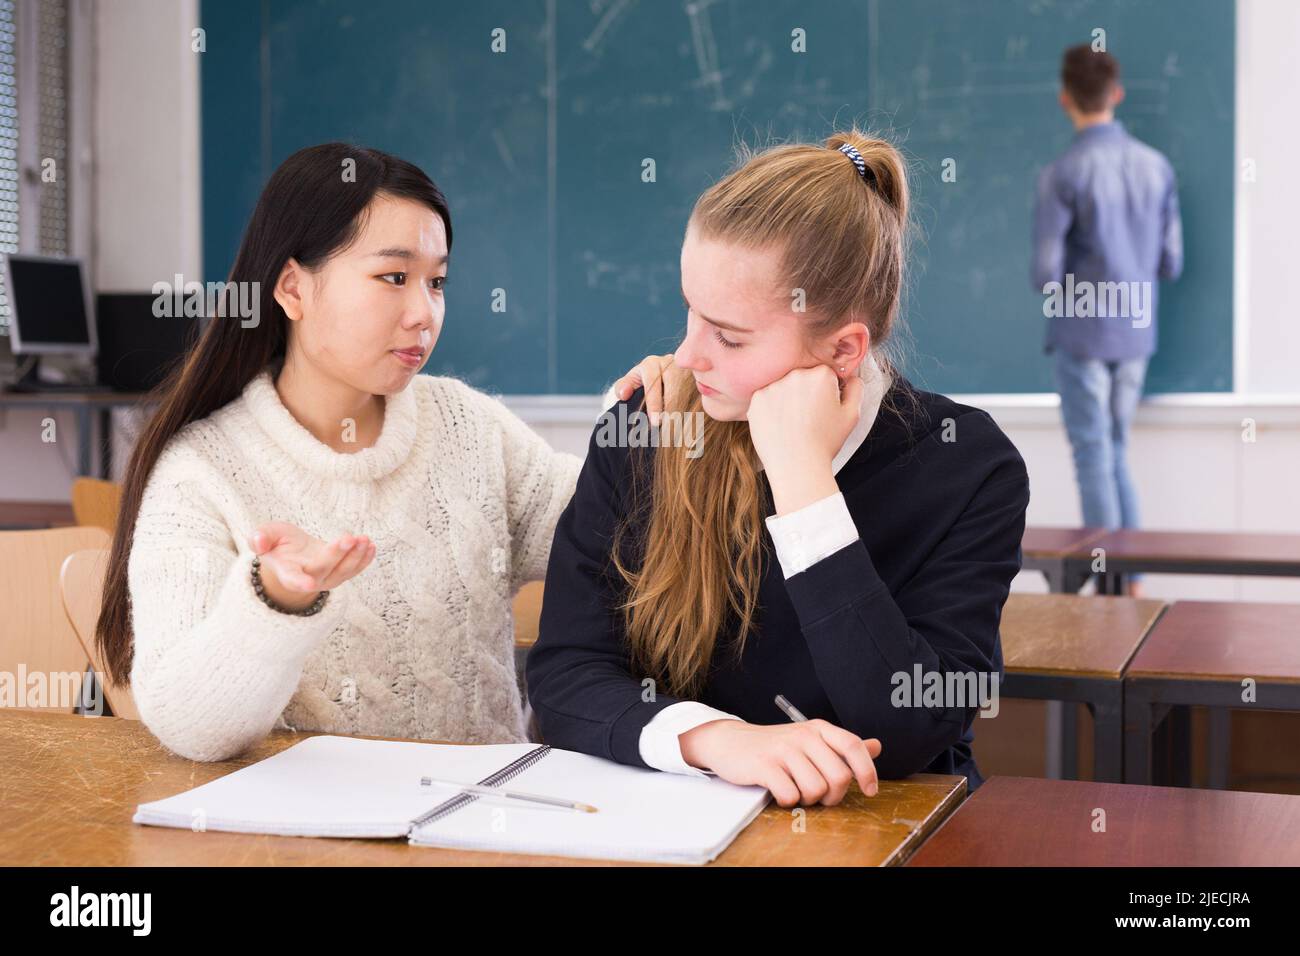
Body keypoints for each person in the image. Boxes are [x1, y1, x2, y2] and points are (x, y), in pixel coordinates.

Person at [95, 142, 676, 761]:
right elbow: (192, 729)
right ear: (292, 289)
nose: (424, 314)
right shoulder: (200, 473)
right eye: (393, 278)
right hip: (301, 842)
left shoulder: (467, 426)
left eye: (437, 282)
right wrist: (275, 601)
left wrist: (664, 419)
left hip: (485, 822)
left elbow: (619, 535)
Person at [527, 130, 1031, 806]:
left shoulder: (969, 466)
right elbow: (564, 676)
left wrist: (803, 481)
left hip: (885, 831)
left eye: (729, 336)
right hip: (680, 823)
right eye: (691, 314)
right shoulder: (649, 423)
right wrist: (718, 740)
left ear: (845, 348)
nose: (689, 354)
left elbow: (911, 731)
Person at [1033, 45, 1184, 595]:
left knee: (1095, 454)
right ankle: (1132, 580)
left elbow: (1047, 272)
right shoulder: (1157, 167)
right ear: (1116, 93)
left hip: (1084, 333)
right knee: (1115, 448)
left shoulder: (1062, 174)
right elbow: (1171, 262)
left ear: (1065, 98)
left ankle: (1112, 585)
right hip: (1137, 334)